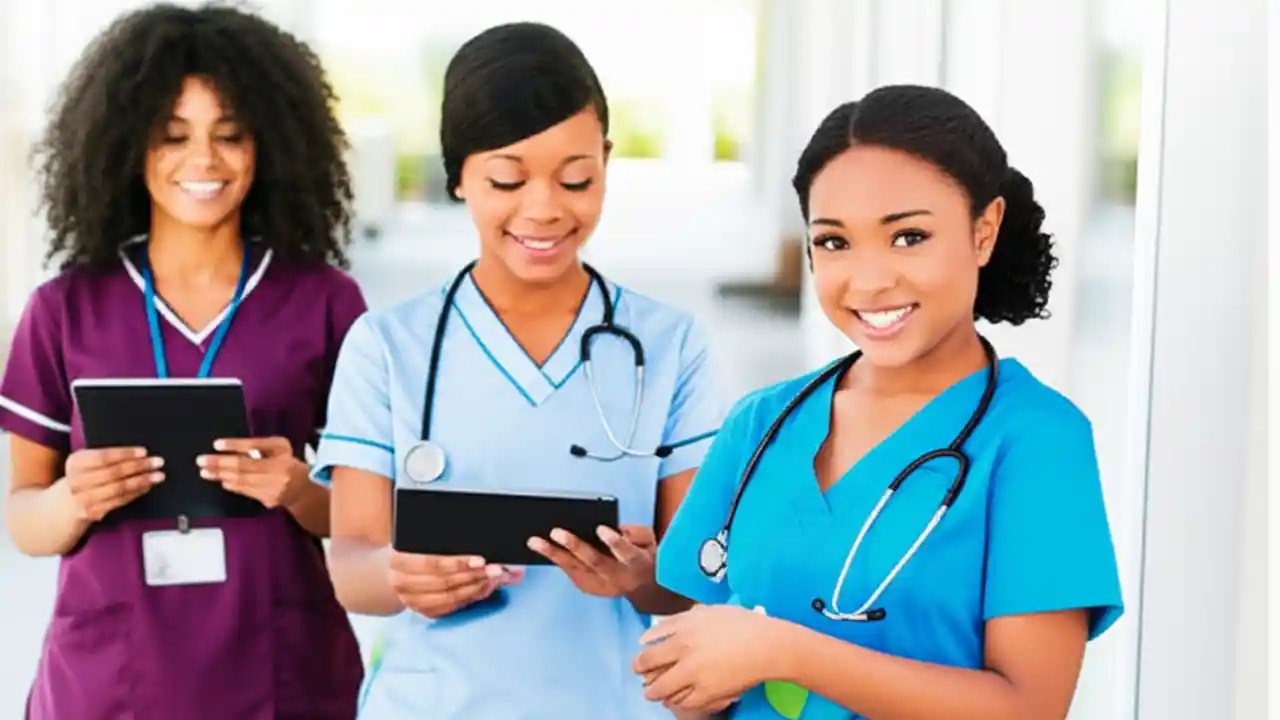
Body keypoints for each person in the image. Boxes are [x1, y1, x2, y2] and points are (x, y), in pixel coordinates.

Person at [635, 84, 1125, 719]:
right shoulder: (760, 422)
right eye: (834, 242)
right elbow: (689, 667)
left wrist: (786, 652)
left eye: (908, 237)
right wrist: (691, 683)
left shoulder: (1036, 441)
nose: (868, 279)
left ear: (984, 231)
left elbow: (1029, 709)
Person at [314, 21, 724, 719]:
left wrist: (640, 575)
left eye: (576, 179)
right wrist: (399, 574)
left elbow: (690, 582)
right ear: (458, 176)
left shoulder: (671, 345)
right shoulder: (387, 347)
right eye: (507, 178)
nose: (544, 209)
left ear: (606, 162)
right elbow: (352, 563)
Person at [0, 4, 366, 718]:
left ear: (272, 144)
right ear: (126, 144)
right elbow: (24, 519)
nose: (203, 161)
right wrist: (75, 498)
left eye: (230, 136)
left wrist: (296, 489)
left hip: (281, 676)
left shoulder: (325, 303)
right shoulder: (64, 309)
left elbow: (363, 521)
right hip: (109, 682)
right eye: (173, 136)